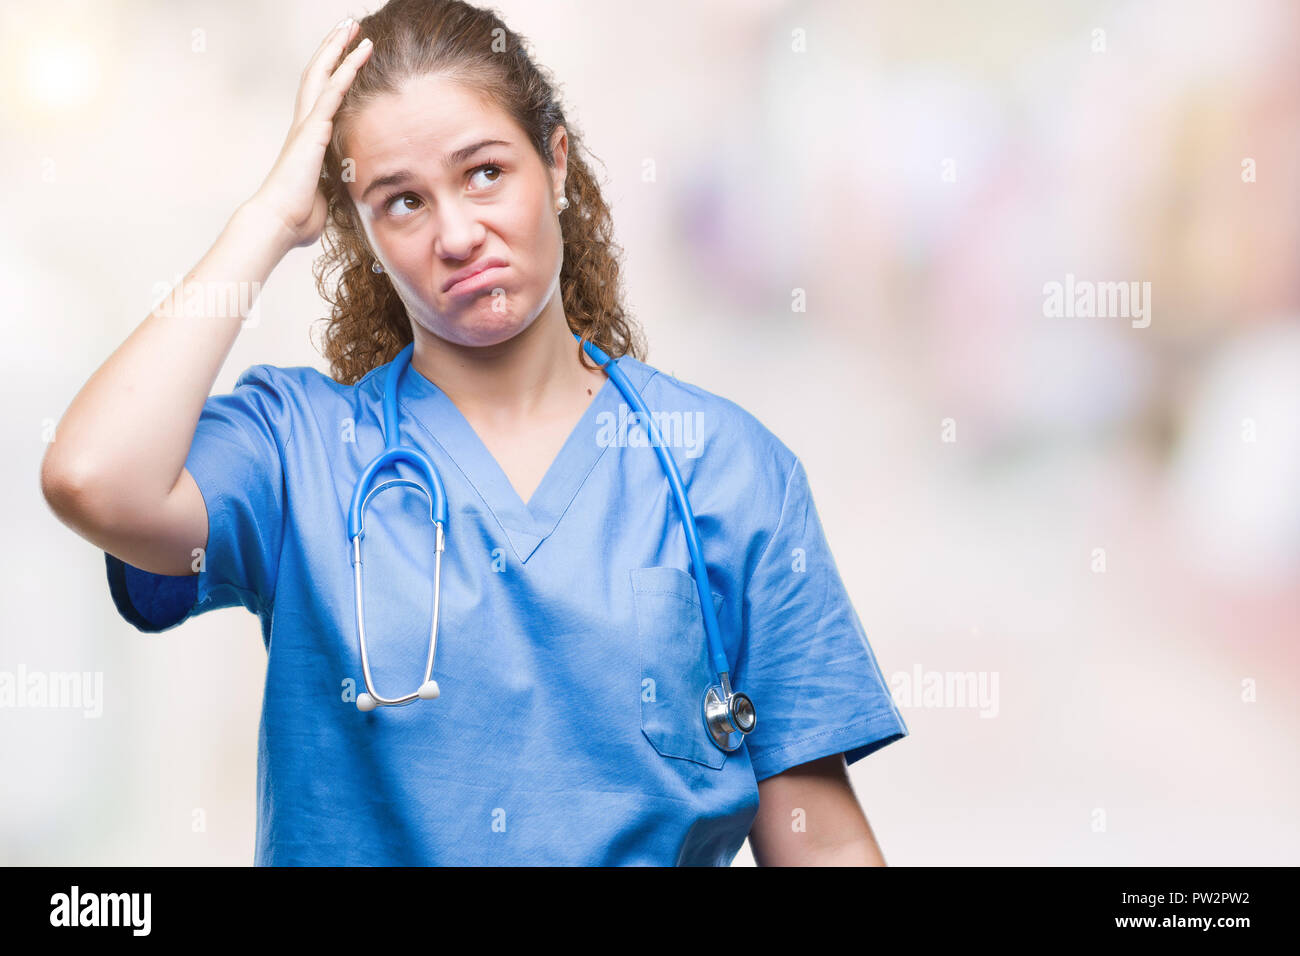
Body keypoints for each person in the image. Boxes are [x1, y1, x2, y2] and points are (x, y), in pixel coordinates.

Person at [40, 0, 908, 866]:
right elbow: (92, 477)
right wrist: (267, 218)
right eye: (402, 201)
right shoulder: (293, 451)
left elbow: (822, 846)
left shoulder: (724, 468)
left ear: (556, 162)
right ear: (361, 230)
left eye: (486, 172)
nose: (457, 234)